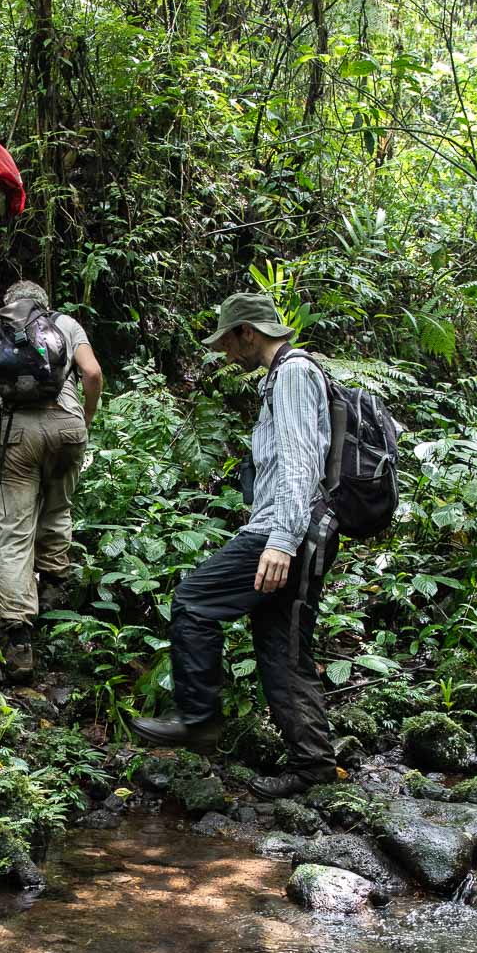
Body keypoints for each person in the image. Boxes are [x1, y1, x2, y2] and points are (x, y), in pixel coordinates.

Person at [132, 291, 339, 800]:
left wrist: (281, 542)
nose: (226, 353)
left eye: (227, 340)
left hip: (288, 531)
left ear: (248, 332)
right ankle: (313, 768)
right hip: (305, 533)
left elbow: (298, 462)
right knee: (281, 649)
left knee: (194, 600)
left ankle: (199, 720)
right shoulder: (288, 376)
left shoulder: (291, 374)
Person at [0, 280, 103, 680]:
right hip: (67, 429)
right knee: (59, 505)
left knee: (14, 533)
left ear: (8, 306)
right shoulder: (66, 324)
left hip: (16, 436)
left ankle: (19, 639)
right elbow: (92, 372)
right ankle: (55, 594)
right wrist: (86, 420)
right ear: (44, 305)